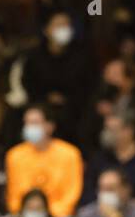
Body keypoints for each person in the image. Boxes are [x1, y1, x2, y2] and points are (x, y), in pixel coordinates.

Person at [21, 10, 91, 143]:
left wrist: (68, 99)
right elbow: (28, 82)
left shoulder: (82, 55)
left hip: (75, 109)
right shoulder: (34, 56)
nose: (63, 29)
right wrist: (46, 98)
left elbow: (87, 85)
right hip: (41, 104)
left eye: (66, 25)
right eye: (58, 25)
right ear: (47, 30)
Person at [82, 109, 135, 215]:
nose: (107, 134)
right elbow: (87, 196)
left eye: (113, 130)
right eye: (106, 129)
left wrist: (132, 207)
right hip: (103, 215)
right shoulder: (99, 159)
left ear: (129, 130)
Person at [4, 104, 83, 217]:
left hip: (60, 216)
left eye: (35, 123)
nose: (29, 127)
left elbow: (72, 193)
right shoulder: (14, 155)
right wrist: (24, 213)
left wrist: (50, 215)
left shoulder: (70, 153)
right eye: (27, 123)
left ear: (50, 126)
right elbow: (12, 195)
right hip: (23, 216)